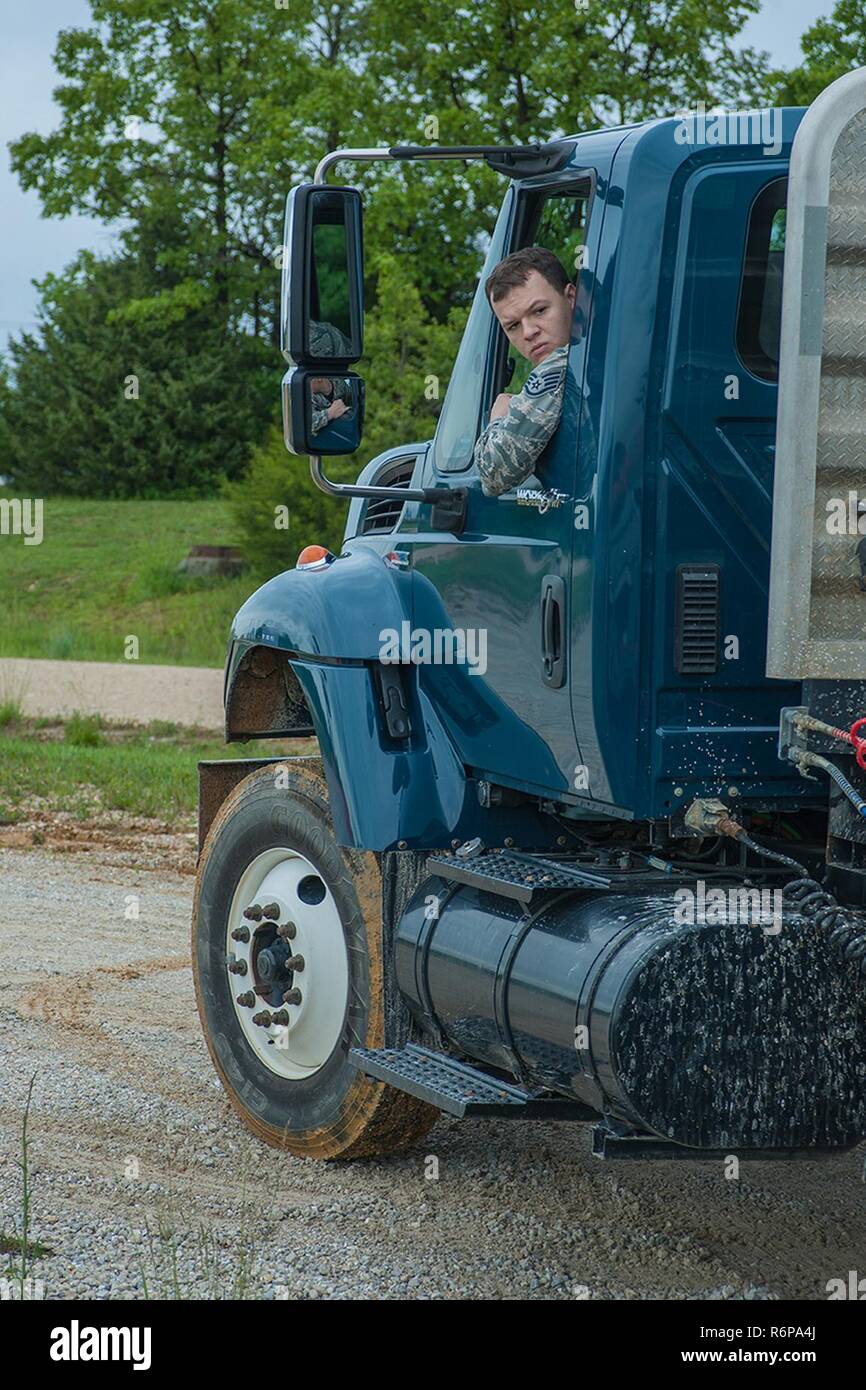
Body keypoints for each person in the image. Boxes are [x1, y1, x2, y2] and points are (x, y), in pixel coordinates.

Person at [474, 247, 576, 497]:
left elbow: (493, 475)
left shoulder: (561, 366)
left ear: (571, 298)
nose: (529, 332)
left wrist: (498, 418)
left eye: (539, 310)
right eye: (513, 325)